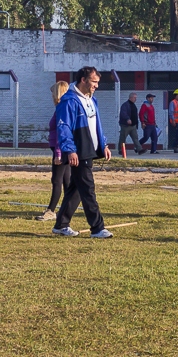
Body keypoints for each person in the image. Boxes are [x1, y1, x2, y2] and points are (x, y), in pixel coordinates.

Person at [52, 66, 114, 238]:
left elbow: (96, 126)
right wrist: (70, 150)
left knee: (76, 189)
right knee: (87, 188)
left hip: (90, 150)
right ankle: (97, 228)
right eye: (94, 82)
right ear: (83, 80)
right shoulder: (69, 101)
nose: (96, 86)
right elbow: (63, 127)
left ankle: (61, 225)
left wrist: (104, 145)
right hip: (78, 152)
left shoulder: (92, 100)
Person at [37, 81, 72, 221]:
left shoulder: (62, 109)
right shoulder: (63, 108)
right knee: (66, 180)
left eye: (53, 92)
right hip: (63, 149)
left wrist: (58, 153)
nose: (51, 95)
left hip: (61, 150)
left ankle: (51, 210)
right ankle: (68, 207)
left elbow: (61, 133)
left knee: (56, 180)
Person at [118, 92, 145, 156]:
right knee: (123, 138)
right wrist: (127, 119)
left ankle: (139, 150)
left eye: (136, 98)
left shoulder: (133, 105)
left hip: (133, 126)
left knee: (135, 138)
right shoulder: (125, 105)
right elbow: (123, 113)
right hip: (126, 126)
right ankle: (120, 150)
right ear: (131, 97)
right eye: (134, 98)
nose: (135, 99)